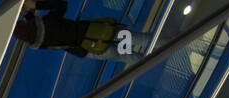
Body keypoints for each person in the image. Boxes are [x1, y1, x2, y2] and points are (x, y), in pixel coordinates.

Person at [14, 0, 147, 64]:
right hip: (96, 31)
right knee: (138, 38)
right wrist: (35, 6)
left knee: (124, 56)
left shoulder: (37, 44)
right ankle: (165, 46)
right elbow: (61, 4)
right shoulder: (48, 21)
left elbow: (39, 31)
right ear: (26, 23)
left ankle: (152, 61)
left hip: (86, 49)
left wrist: (29, 16)